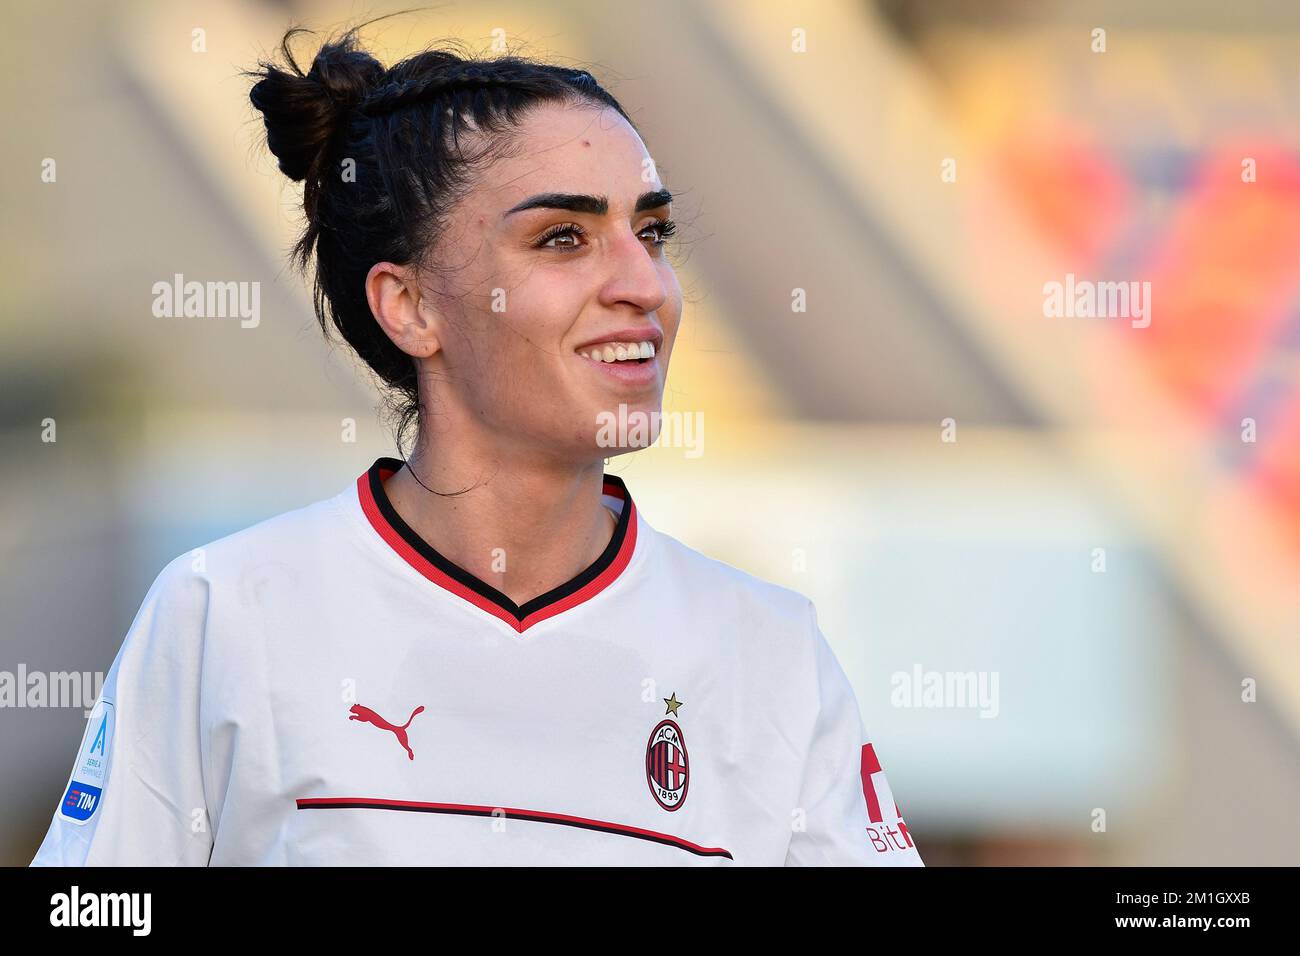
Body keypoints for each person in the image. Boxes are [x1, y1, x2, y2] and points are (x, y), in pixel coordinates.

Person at [30, 24, 922, 866]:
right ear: (409, 305)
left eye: (651, 232)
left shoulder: (772, 651)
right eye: (563, 237)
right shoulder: (227, 611)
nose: (644, 285)